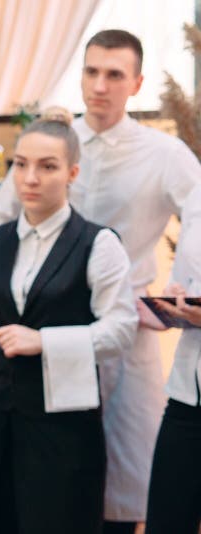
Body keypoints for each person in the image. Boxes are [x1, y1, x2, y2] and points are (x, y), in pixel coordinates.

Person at [0, 29, 201, 532]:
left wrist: (182, 288)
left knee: (125, 478)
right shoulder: (53, 143)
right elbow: (0, 220)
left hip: (125, 330)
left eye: (114, 75)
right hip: (45, 329)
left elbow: (198, 210)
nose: (100, 86)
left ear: (137, 84)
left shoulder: (164, 153)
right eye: (91, 72)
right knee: (54, 477)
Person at [0, 112, 137, 534]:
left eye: (48, 166)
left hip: (65, 426)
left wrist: (44, 341)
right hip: (1, 417)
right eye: (21, 164)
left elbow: (122, 328)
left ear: (72, 173)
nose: (30, 178)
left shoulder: (99, 244)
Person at [144, 184, 201, 534]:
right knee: (166, 521)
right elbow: (185, 276)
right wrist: (178, 296)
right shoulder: (198, 194)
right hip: (187, 390)